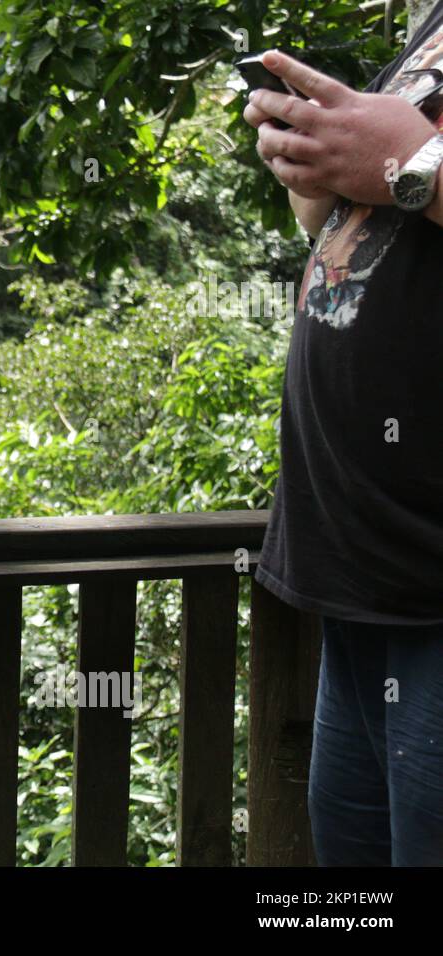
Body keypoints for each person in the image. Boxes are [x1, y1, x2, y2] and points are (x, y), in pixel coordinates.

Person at [243, 6, 443, 866]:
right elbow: (372, 235)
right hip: (362, 577)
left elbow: (416, 179)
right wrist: (321, 177)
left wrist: (415, 168)